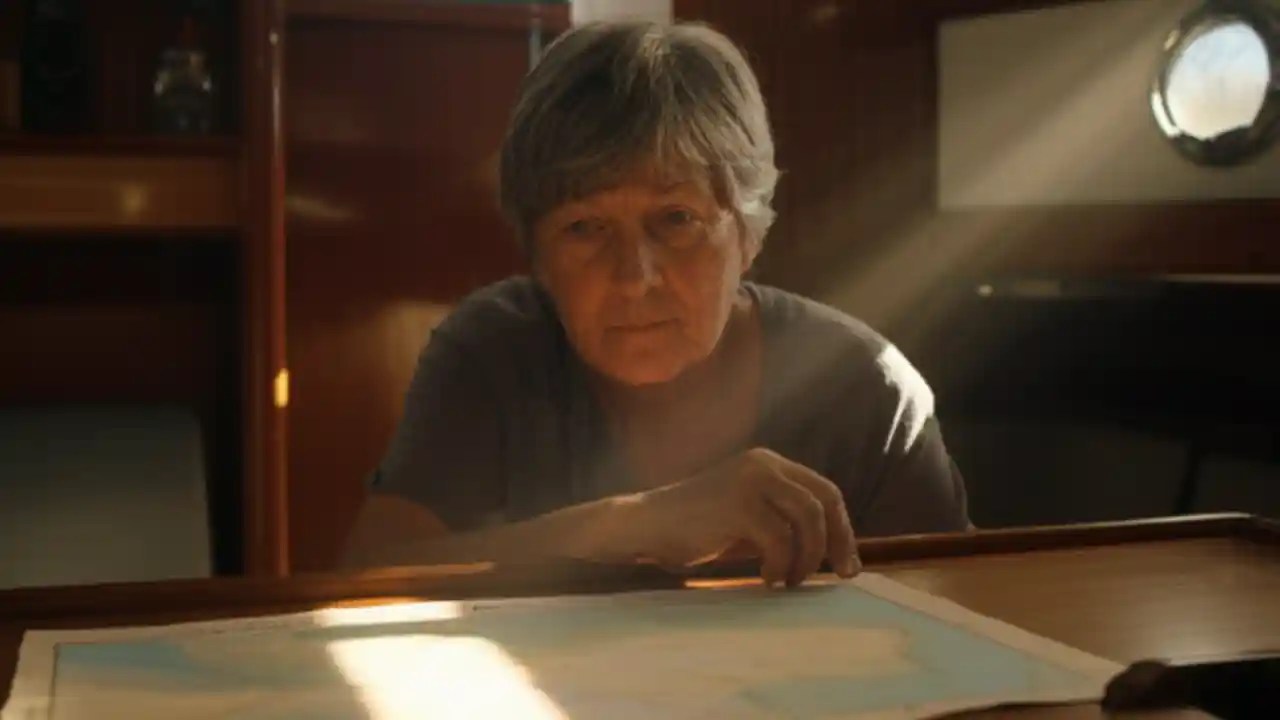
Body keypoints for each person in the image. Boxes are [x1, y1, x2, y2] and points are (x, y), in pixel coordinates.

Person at [342, 21, 971, 587]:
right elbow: (369, 578)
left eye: (676, 219)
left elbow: (964, 619)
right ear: (536, 256)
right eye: (584, 228)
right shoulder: (493, 352)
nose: (634, 277)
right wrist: (631, 524)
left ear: (749, 232)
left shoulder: (865, 390)